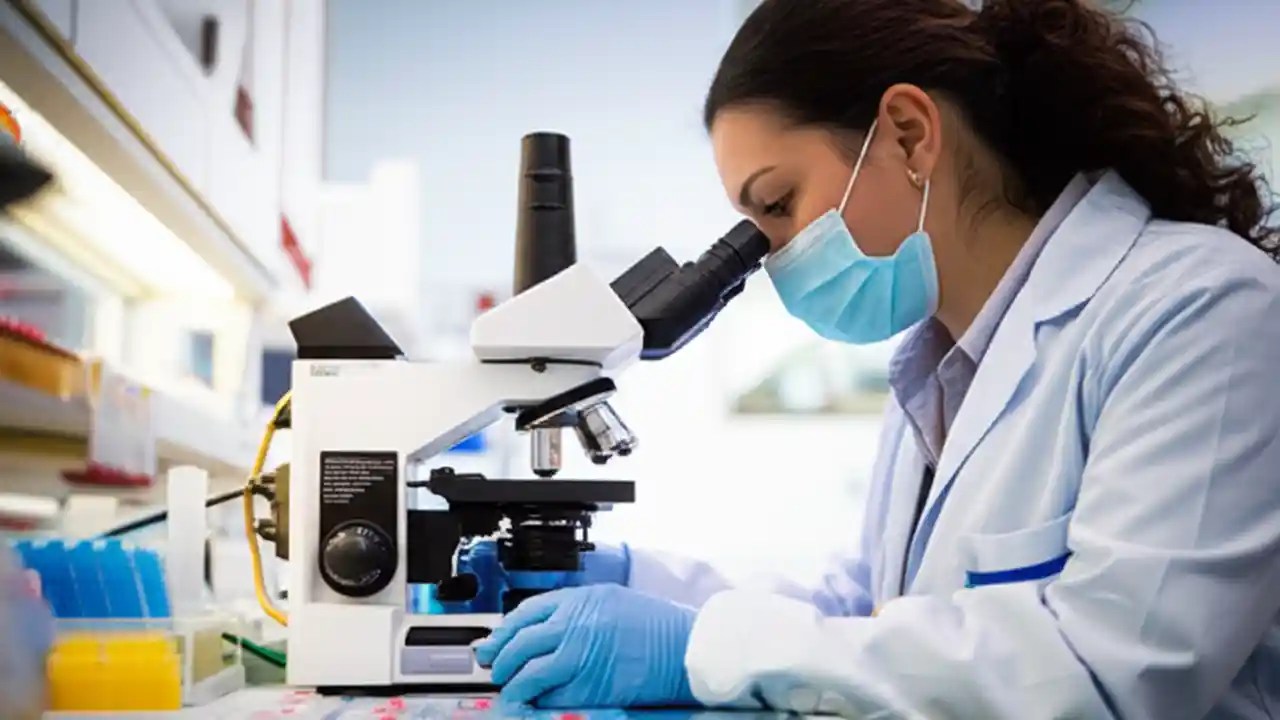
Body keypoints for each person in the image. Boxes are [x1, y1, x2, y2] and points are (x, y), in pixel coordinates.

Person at [473, 0, 1280, 716]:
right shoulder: (938, 363)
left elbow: (1111, 672)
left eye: (777, 206)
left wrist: (694, 652)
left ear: (908, 134)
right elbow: (867, 613)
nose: (770, 257)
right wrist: (627, 580)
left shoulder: (1196, 308)